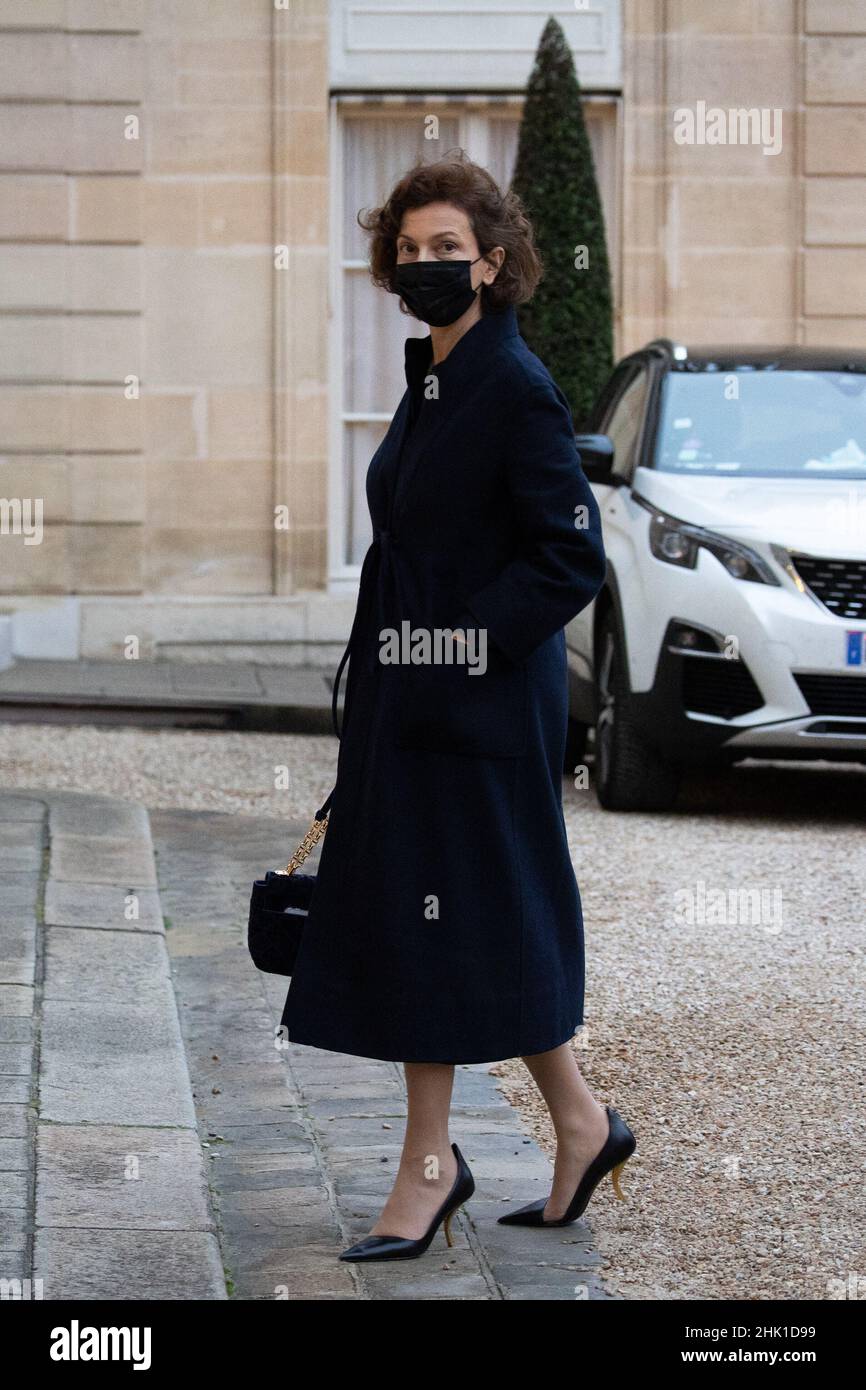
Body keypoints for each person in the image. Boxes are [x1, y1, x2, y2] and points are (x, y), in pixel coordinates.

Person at [281, 151, 636, 1262]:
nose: (427, 263)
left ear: (492, 263)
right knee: (451, 916)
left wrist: (449, 650)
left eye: (450, 249)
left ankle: (428, 1168)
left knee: (444, 917)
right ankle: (578, 1122)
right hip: (411, 696)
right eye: (410, 247)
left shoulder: (514, 388)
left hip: (474, 706)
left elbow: (565, 560)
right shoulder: (431, 379)